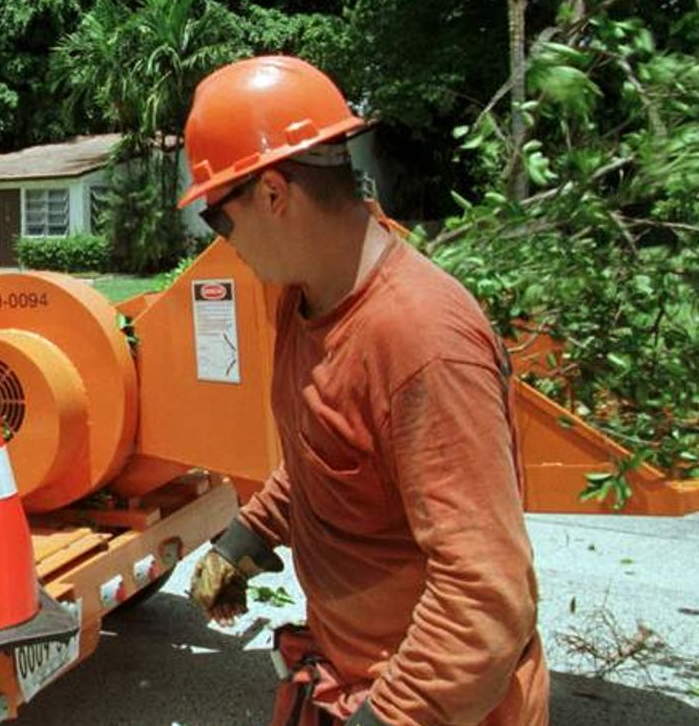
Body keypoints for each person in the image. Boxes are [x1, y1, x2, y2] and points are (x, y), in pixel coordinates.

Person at [180, 56, 549, 725]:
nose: (224, 242)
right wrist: (249, 535)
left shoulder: (422, 341)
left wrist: (387, 717)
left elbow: (485, 596)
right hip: (357, 683)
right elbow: (330, 451)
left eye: (217, 217)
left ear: (272, 193)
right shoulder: (304, 302)